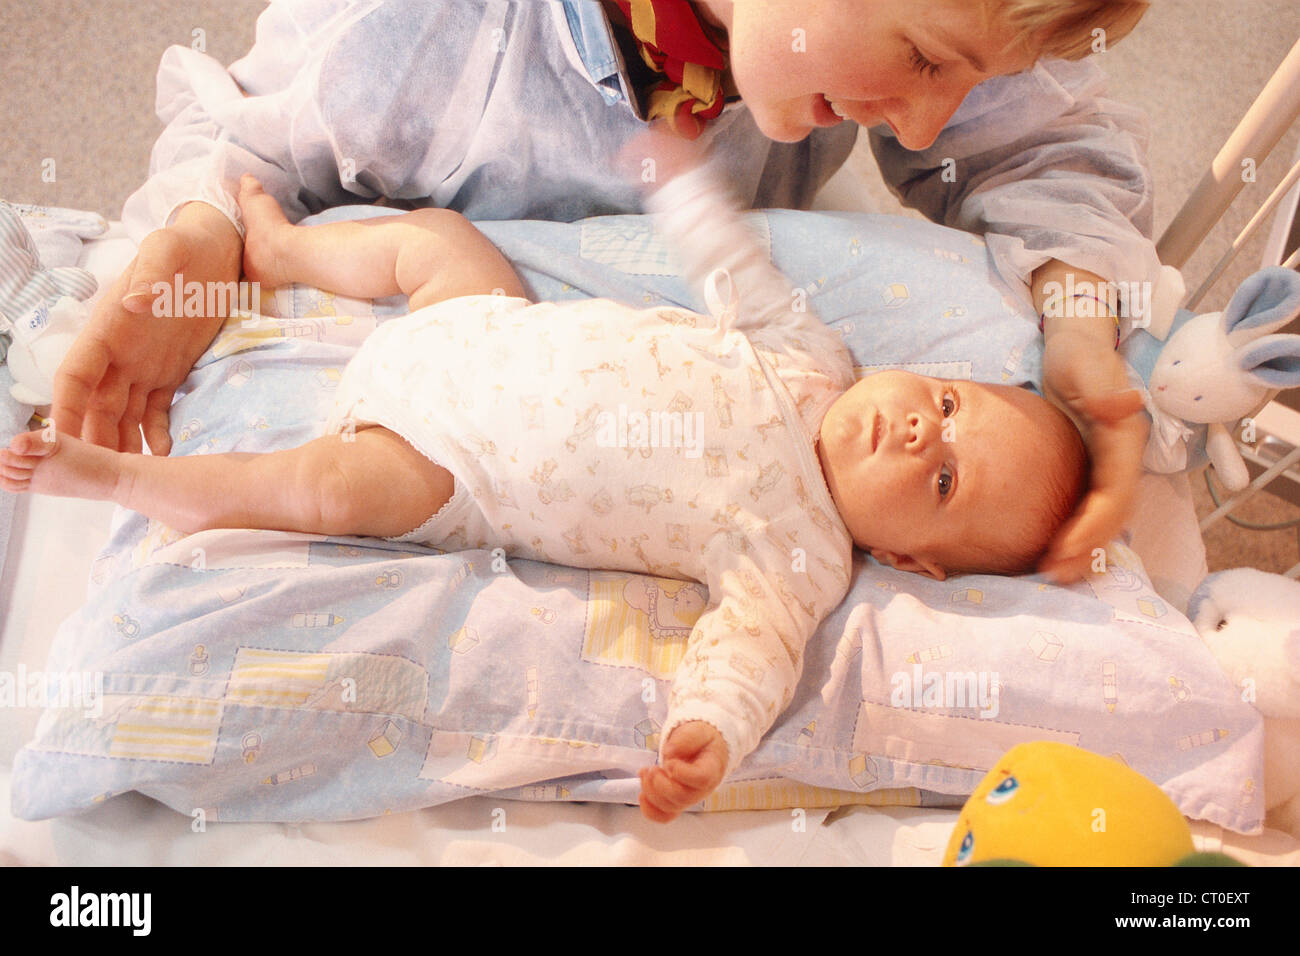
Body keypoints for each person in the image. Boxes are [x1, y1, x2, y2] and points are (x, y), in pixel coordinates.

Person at [2, 169, 1089, 822]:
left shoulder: (801, 553)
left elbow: (750, 652)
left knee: (320, 489)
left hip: (454, 462)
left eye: (940, 477)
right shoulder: (819, 355)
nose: (915, 429)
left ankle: (128, 480)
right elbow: (742, 274)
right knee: (436, 239)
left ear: (913, 559)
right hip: (482, 321)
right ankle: (287, 248)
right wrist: (684, 187)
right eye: (944, 400)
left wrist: (705, 730)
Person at [52, 0, 1149, 583]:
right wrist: (201, 222)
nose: (917, 130)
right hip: (447, 348)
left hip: (528, 437)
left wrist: (1080, 314)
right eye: (919, 59)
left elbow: (1045, 148)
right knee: (332, 472)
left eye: (960, 83)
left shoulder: (798, 534)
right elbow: (247, 137)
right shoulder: (417, 31)